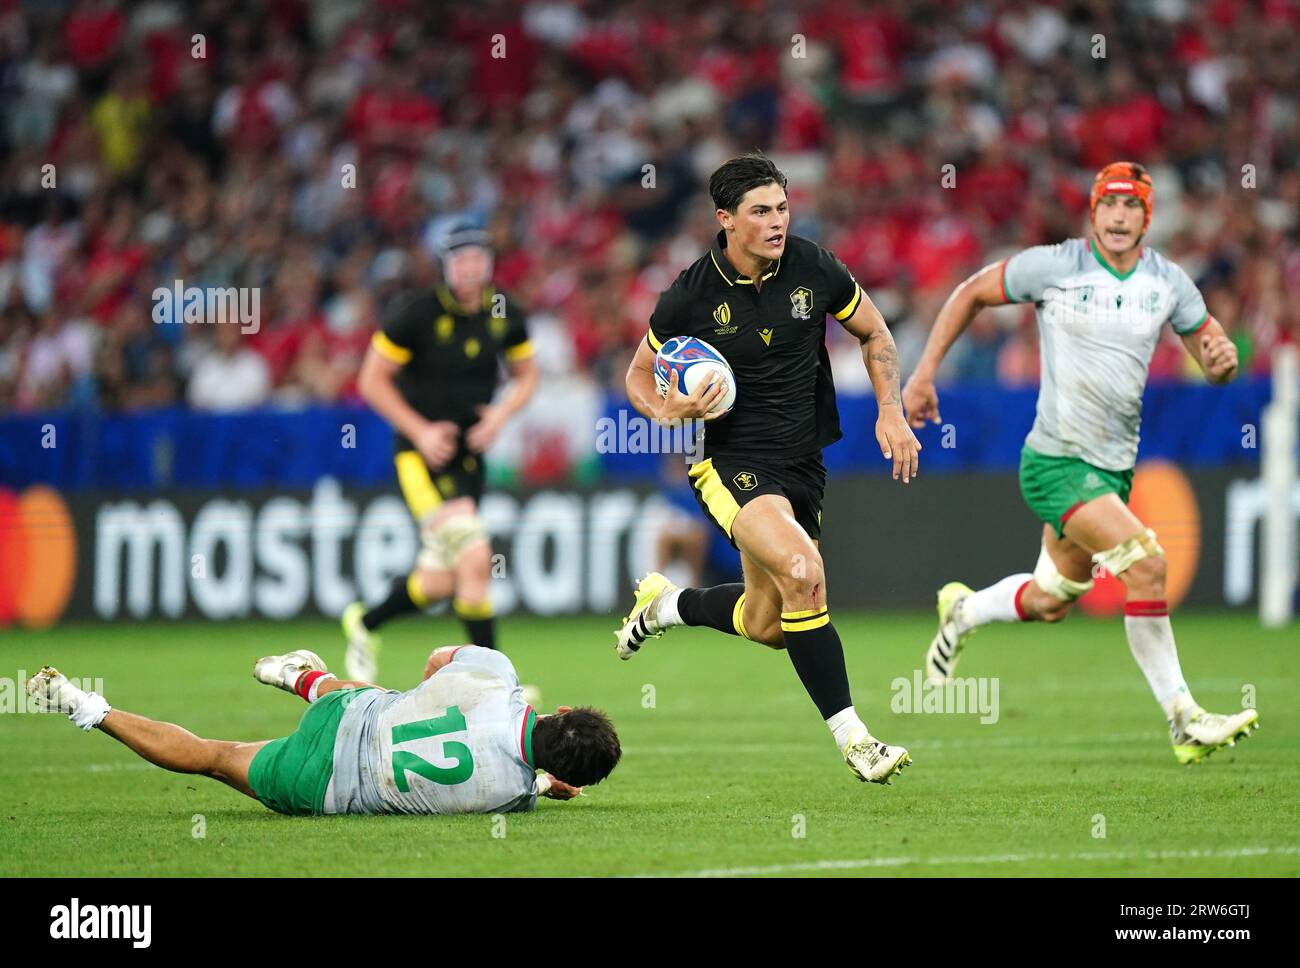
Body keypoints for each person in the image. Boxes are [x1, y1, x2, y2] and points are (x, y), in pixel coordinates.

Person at [901, 161, 1260, 765]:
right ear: (1093, 212)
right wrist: (925, 373)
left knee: (1051, 599)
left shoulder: (1170, 282)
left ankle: (963, 611)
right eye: (1109, 205)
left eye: (1132, 206)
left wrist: (1222, 362)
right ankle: (1184, 719)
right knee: (1146, 566)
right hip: (1055, 462)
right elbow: (970, 293)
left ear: (1148, 216)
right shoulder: (1054, 266)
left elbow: (1214, 356)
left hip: (1111, 470)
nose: (1119, 216)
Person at [617, 152, 921, 785]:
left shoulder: (814, 267)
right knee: (804, 574)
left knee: (770, 624)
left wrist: (890, 410)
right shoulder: (689, 296)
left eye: (782, 207)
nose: (777, 222)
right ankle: (856, 740)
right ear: (726, 219)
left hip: (803, 463)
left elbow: (875, 334)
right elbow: (638, 374)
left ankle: (665, 606)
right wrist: (664, 408)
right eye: (761, 212)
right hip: (729, 464)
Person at [25, 645, 619, 815]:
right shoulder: (510, 797)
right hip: (326, 786)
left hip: (347, 713)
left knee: (390, 699)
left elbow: (439, 659)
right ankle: (87, 708)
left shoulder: (497, 673)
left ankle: (305, 677)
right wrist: (541, 786)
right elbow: (523, 784)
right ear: (555, 771)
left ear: (561, 711)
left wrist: (421, 698)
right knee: (213, 755)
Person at [344, 227, 539, 680]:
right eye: (460, 260)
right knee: (475, 556)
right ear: (446, 267)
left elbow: (526, 375)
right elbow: (371, 381)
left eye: (477, 258)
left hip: (470, 457)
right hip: (421, 456)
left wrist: (498, 418)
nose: (469, 268)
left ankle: (365, 621)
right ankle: (498, 682)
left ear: (489, 262)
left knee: (438, 584)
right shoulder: (416, 313)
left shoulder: (503, 311)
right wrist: (422, 430)